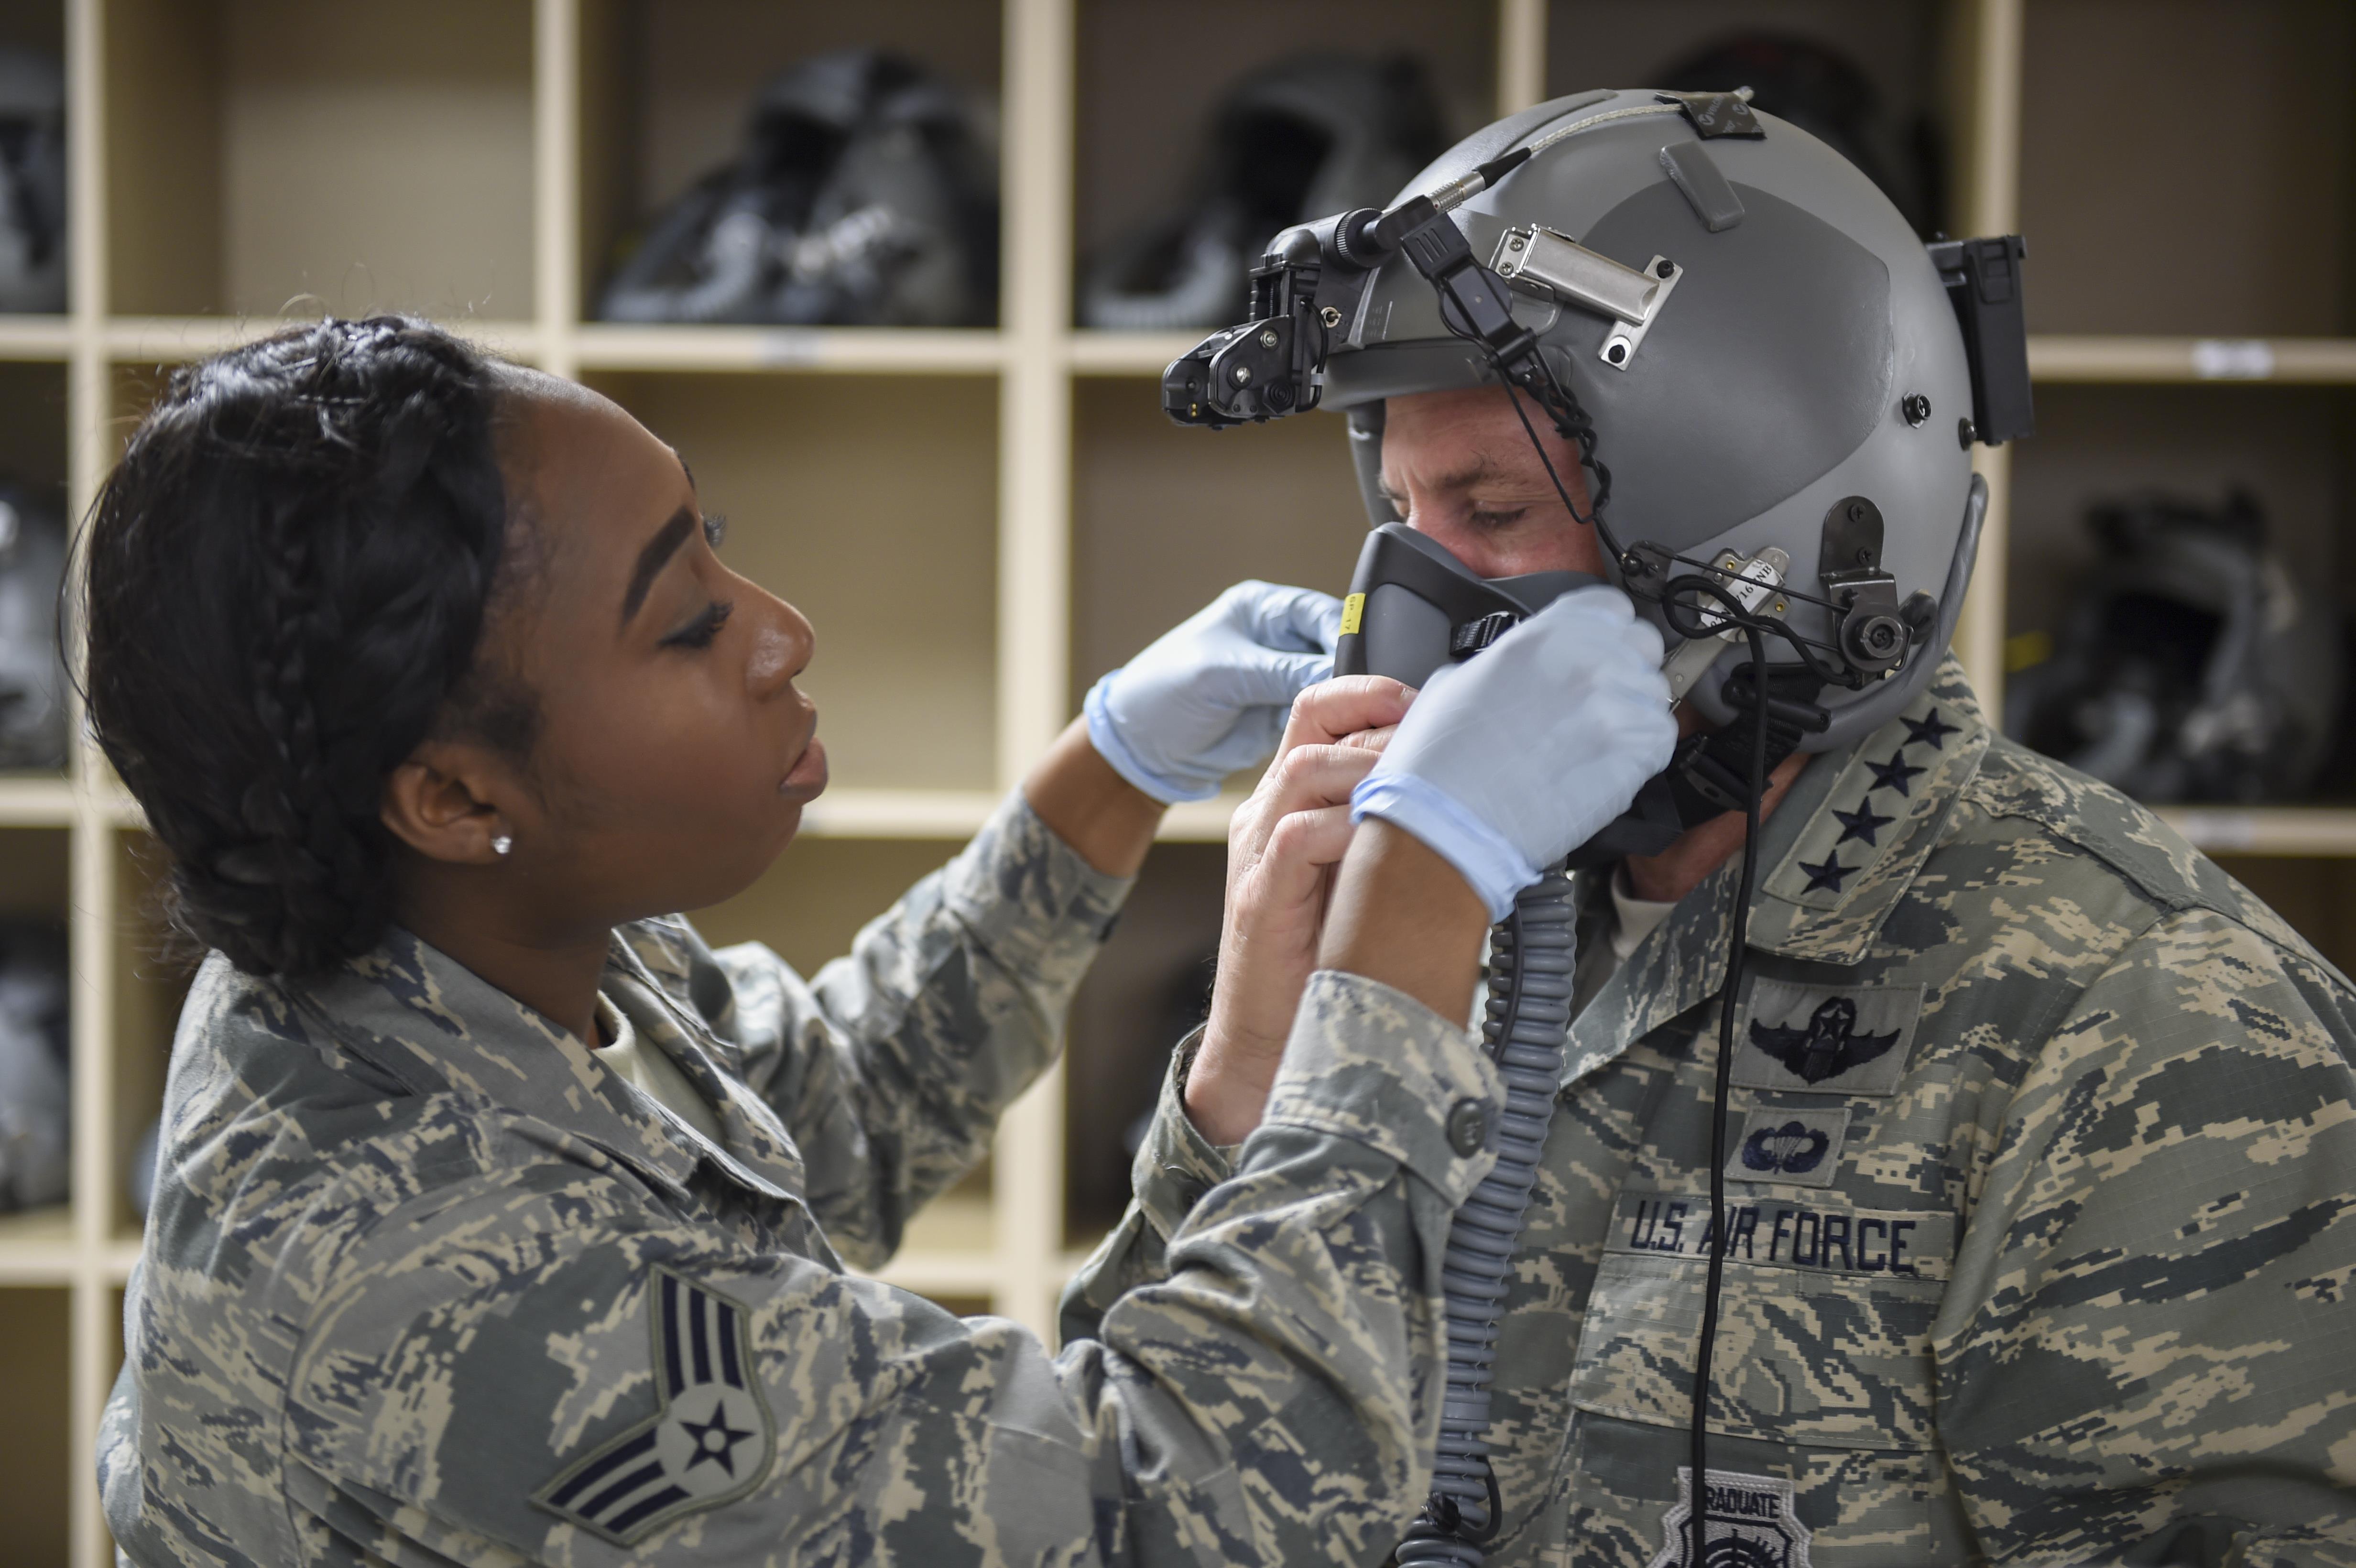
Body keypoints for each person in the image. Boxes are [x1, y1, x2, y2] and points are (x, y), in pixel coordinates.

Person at [87, 315, 1677, 1565]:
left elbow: (826, 1124)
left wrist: (1110, 778)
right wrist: (1416, 904)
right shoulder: (434, 1277)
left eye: (712, 537)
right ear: (450, 792)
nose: (781, 628)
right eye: (685, 618)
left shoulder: (459, 941)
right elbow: (1184, 1516)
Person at [1071, 92, 2356, 1565]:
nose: (1409, 605)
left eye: (1488, 512)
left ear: (1773, 547)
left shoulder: (2142, 1019)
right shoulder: (1433, 926)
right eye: (1403, 512)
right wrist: (1251, 1073)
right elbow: (1127, 1515)